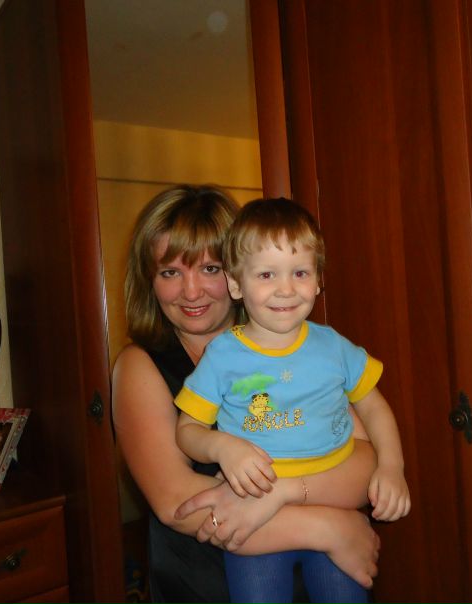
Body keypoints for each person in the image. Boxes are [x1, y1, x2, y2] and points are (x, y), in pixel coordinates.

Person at [112, 185, 381, 604]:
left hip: (313, 582)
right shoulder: (139, 366)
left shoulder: (295, 348)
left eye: (210, 269)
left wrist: (289, 492)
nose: (191, 291)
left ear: (241, 271)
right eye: (170, 273)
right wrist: (330, 528)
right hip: (206, 587)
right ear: (149, 280)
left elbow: (363, 461)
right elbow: (177, 504)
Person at [173, 197, 410, 603]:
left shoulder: (334, 346)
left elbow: (373, 407)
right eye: (266, 274)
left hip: (334, 501)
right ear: (236, 284)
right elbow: (188, 431)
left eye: (300, 272)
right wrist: (221, 446)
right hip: (255, 515)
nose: (285, 289)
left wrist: (392, 467)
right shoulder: (222, 356)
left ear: (318, 280)